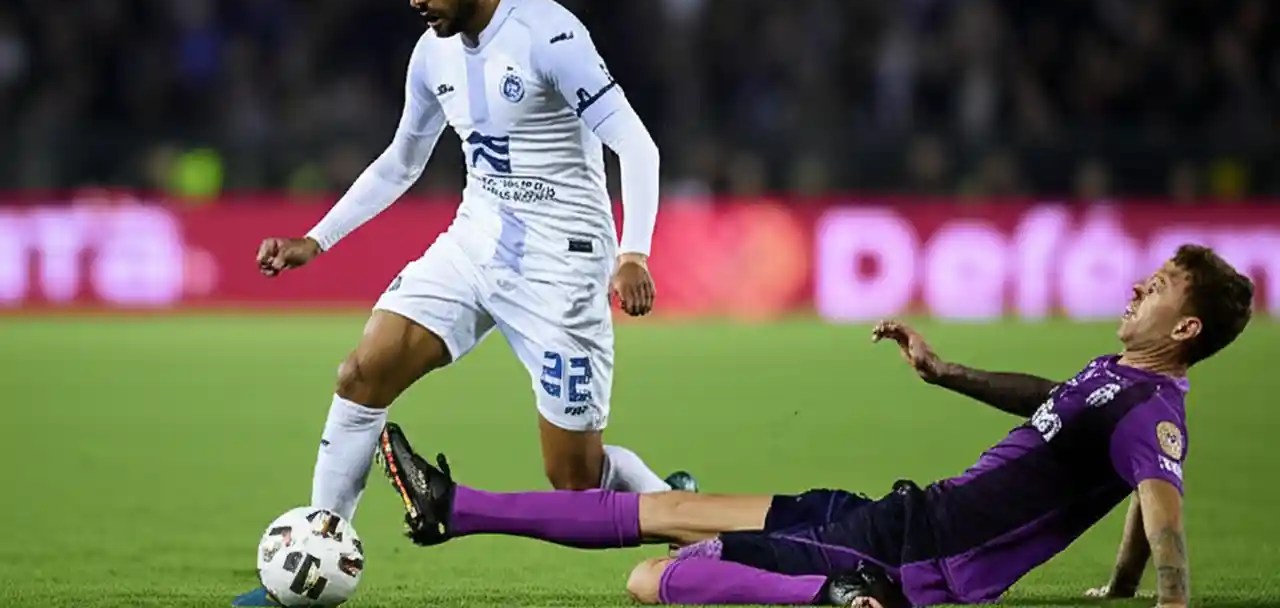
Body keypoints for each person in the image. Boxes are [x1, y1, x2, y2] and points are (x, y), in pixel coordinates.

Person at [235, 0, 691, 604]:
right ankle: (316, 550)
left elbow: (635, 144)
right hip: (473, 243)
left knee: (574, 483)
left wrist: (634, 252)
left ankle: (672, 502)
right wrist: (315, 239)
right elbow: (400, 162)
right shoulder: (431, 55)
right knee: (361, 373)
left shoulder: (549, 35)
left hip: (561, 268)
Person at [377, 245, 1253, 607]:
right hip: (906, 517)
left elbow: (1161, 506)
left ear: (1186, 330)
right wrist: (945, 371)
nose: (1140, 285)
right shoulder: (1115, 382)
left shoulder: (1152, 412)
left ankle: (833, 601)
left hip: (917, 561)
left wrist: (1165, 593)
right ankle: (455, 508)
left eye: (1162, 285)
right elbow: (1062, 416)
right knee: (680, 513)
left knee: (652, 581)